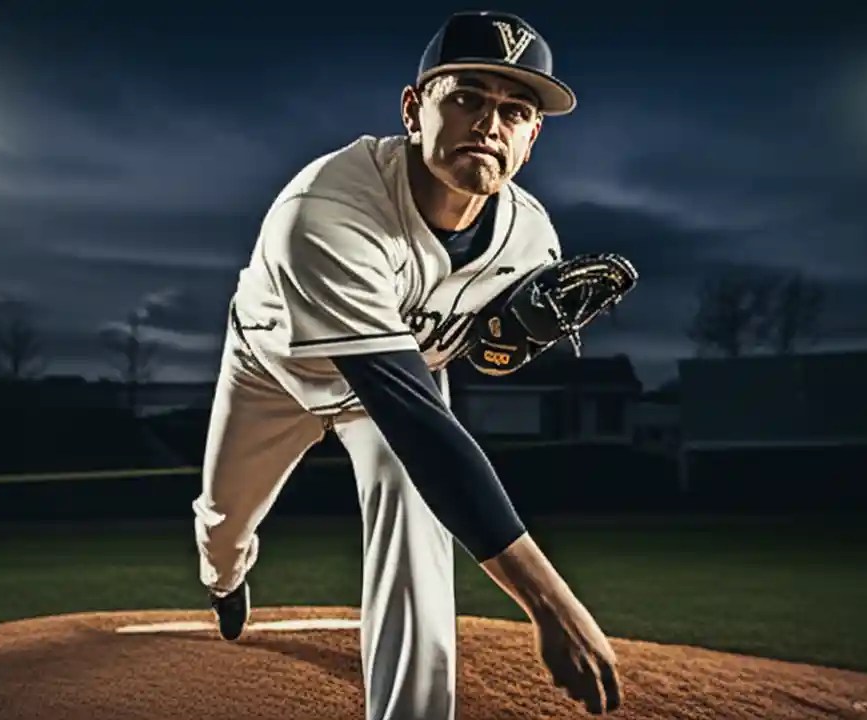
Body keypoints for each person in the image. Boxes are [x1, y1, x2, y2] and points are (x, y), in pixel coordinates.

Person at [192, 10, 623, 718]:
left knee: (416, 497)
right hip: (275, 369)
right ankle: (224, 578)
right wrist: (553, 603)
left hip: (399, 380)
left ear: (532, 137)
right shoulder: (327, 208)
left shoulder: (531, 240)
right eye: (467, 97)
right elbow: (417, 419)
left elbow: (485, 357)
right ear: (413, 108)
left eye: (516, 111)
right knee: (223, 520)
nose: (490, 123)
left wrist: (505, 342)